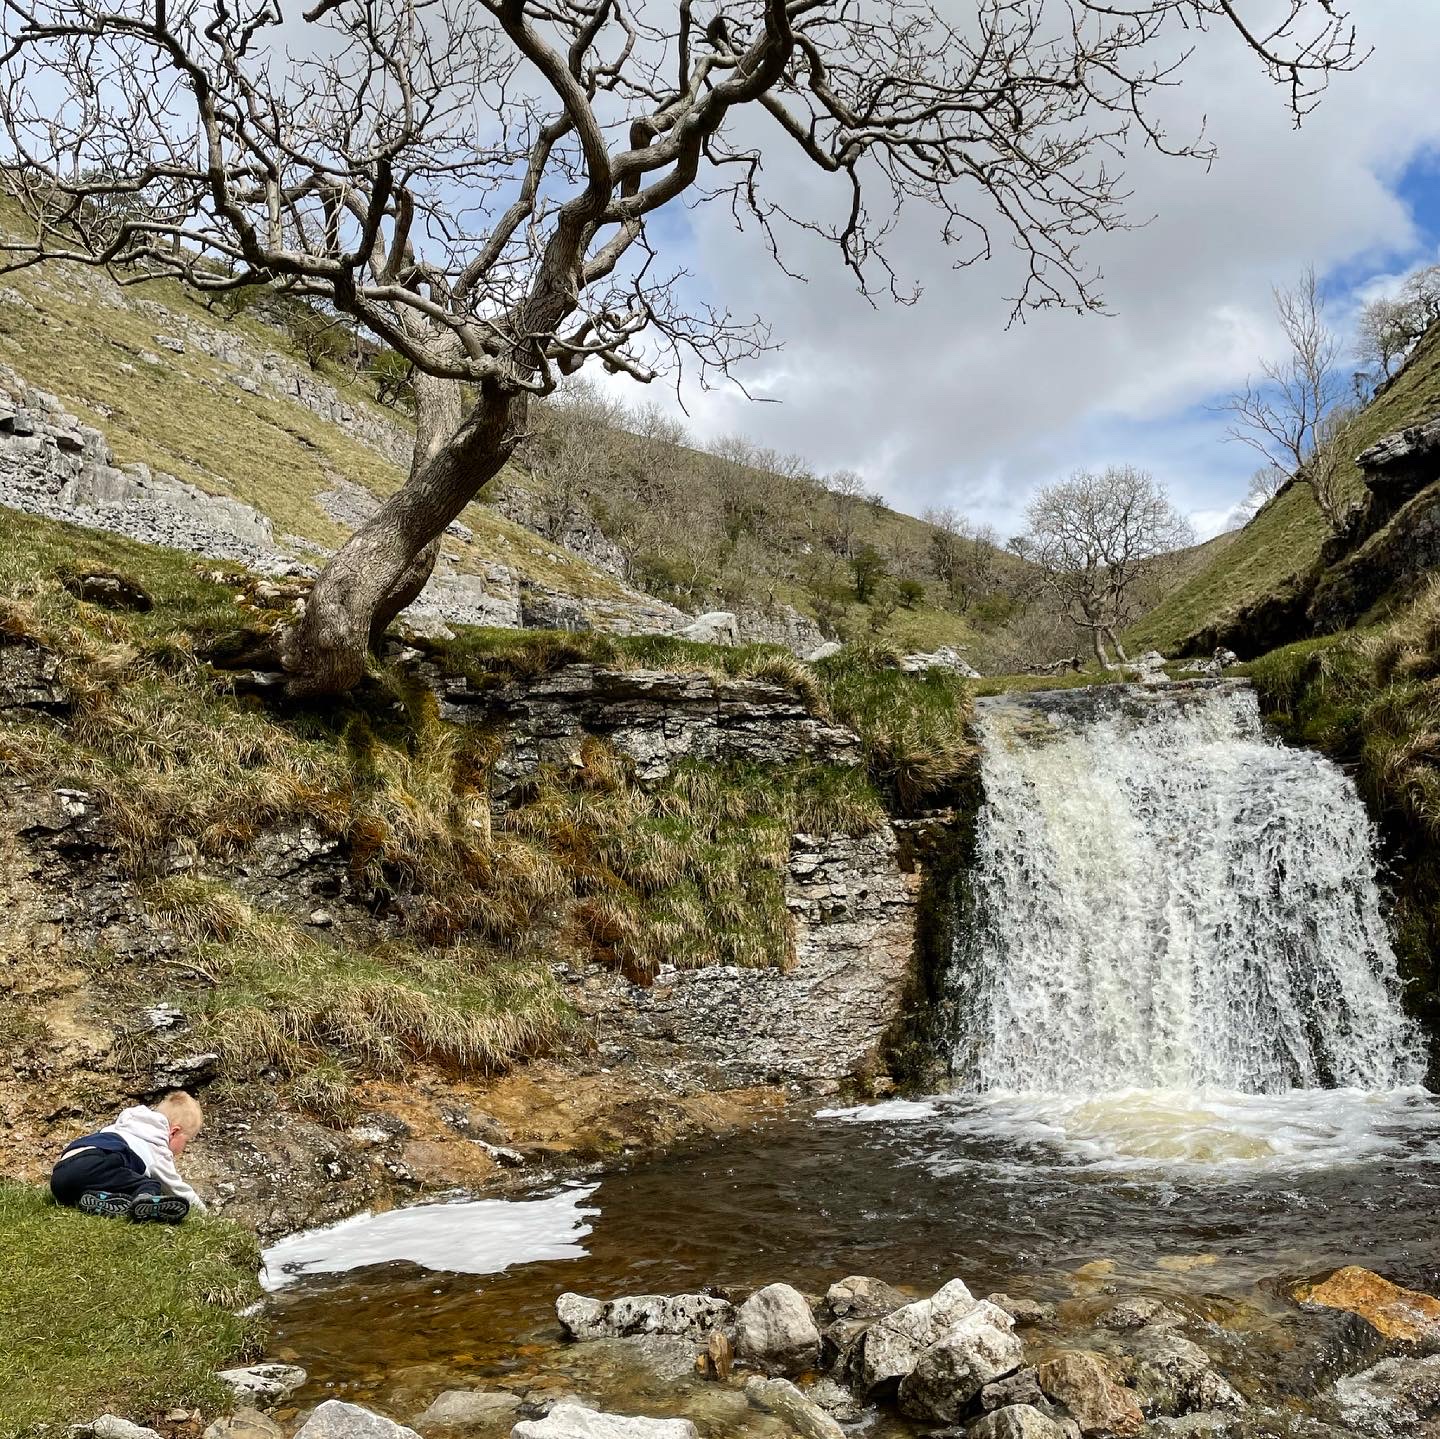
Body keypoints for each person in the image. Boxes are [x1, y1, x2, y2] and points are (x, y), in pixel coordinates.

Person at [50, 1091, 208, 1223]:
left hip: (61, 1176)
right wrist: (205, 1214)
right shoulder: (158, 1146)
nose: (184, 1148)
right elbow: (175, 1188)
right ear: (174, 1132)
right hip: (99, 1161)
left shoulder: (123, 1126)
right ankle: (142, 1200)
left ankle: (103, 1199)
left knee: (119, 1180)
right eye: (186, 1141)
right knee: (151, 1185)